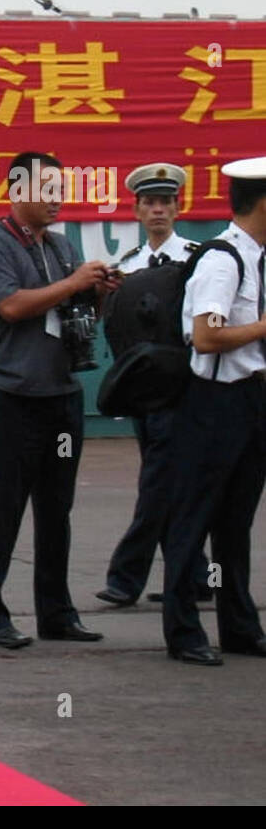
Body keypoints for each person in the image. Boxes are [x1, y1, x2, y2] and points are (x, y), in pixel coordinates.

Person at [0, 152, 118, 649]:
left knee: (57, 510)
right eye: (46, 190)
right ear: (16, 190)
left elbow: (76, 313)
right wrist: (74, 282)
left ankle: (57, 612)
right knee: (0, 509)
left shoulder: (61, 247)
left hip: (61, 396)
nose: (56, 200)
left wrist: (96, 292)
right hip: (10, 397)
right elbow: (10, 307)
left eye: (60, 189)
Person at [158, 155, 266, 666]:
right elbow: (206, 335)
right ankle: (183, 631)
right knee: (194, 519)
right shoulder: (223, 260)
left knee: (236, 520)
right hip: (214, 404)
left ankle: (240, 626)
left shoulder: (258, 257)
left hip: (251, 402)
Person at [96, 162, 210, 607]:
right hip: (143, 392)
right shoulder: (125, 269)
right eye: (150, 203)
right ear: (138, 211)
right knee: (169, 482)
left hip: (185, 389)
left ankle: (127, 577)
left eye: (166, 202)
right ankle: (196, 576)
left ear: (178, 208)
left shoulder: (199, 259)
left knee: (159, 484)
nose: (158, 210)